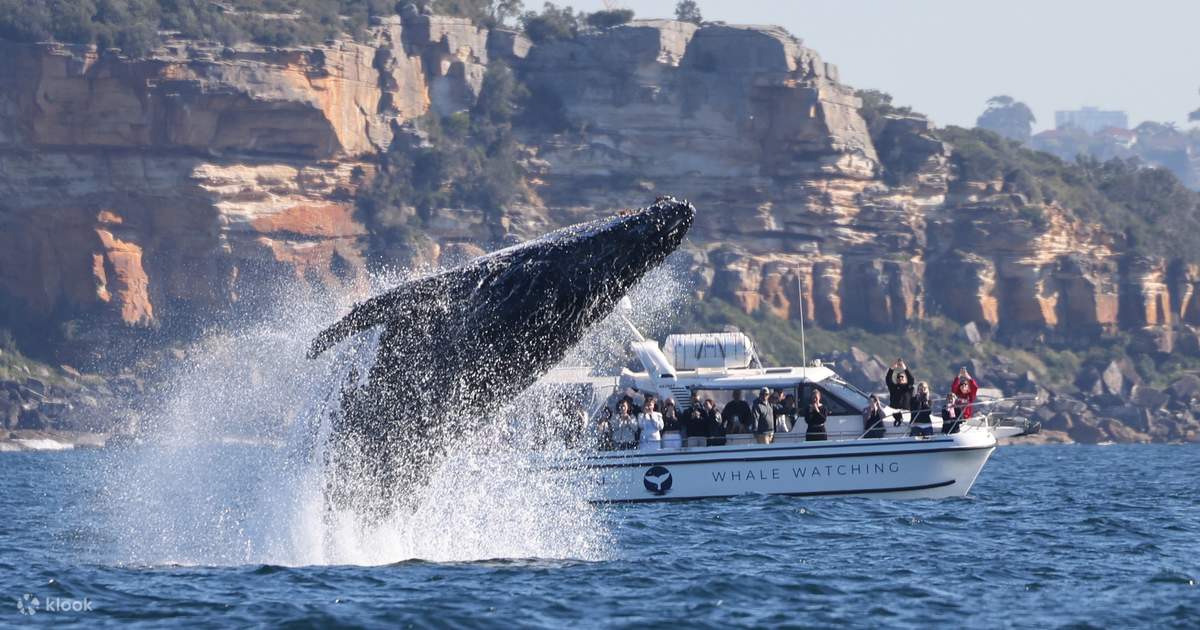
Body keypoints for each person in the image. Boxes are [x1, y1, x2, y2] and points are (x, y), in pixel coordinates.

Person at [886, 359, 915, 427]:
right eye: (898, 377)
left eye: (902, 377)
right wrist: (892, 369)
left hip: (906, 413)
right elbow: (888, 380)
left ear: (906, 379)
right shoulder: (894, 388)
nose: (900, 378)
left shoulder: (909, 388)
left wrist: (904, 368)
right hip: (894, 412)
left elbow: (911, 380)